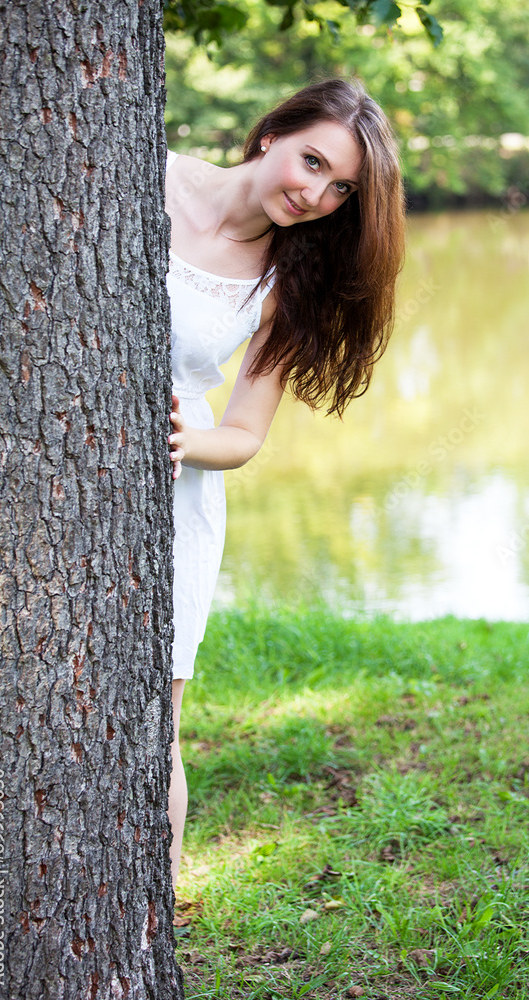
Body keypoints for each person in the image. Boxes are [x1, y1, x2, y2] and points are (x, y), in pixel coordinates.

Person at [164, 78, 405, 889]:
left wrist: (185, 441)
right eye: (312, 162)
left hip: (174, 496)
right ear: (271, 134)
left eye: (340, 188)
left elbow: (243, 435)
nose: (316, 194)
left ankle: (145, 919)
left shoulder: (283, 281)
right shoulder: (140, 172)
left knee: (148, 728)